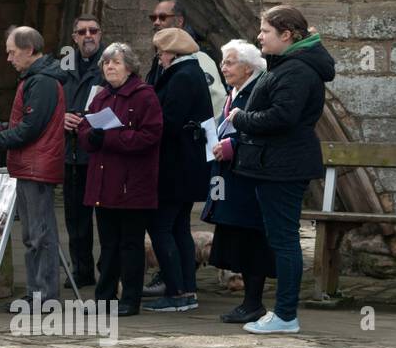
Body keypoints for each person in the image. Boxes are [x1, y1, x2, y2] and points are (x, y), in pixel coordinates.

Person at [229, 5, 335, 334]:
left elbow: (281, 117)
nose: (259, 36)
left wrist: (240, 118)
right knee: (280, 239)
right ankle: (283, 313)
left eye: (265, 31)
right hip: (273, 164)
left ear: (286, 35)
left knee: (285, 241)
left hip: (284, 167)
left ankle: (286, 314)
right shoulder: (288, 65)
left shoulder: (297, 70)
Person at [0, 26, 67, 304]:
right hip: (31, 165)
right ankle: (36, 293)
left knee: (39, 235)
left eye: (12, 52)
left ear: (29, 50)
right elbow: (28, 122)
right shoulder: (37, 79)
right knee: (33, 235)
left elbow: (31, 129)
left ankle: (43, 295)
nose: (8, 59)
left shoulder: (41, 81)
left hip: (36, 166)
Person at [77, 43, 162, 316]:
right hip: (104, 182)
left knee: (131, 245)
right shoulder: (101, 97)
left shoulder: (144, 96)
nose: (110, 67)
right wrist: (91, 136)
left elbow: (151, 135)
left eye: (115, 62)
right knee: (108, 244)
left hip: (131, 184)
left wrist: (111, 137)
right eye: (106, 63)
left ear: (129, 67)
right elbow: (84, 128)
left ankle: (130, 299)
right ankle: (105, 297)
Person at [201, 40, 275, 324]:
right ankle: (248, 302)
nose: (224, 67)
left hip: (250, 177)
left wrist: (232, 146)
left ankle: (253, 302)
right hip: (232, 176)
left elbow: (264, 132)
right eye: (223, 62)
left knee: (252, 239)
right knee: (239, 239)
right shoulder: (236, 91)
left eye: (230, 62)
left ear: (248, 67)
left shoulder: (257, 91)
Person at [144, 27, 213, 312]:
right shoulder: (190, 73)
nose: (159, 59)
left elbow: (169, 122)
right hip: (186, 167)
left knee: (161, 227)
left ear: (171, 53)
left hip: (176, 167)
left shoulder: (182, 77)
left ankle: (176, 292)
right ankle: (187, 291)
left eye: (160, 53)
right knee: (179, 228)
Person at [59, 13, 106, 288]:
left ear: (100, 34)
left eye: (93, 30)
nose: (88, 36)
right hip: (72, 153)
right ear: (74, 37)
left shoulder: (109, 64)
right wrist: (62, 116)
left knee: (106, 218)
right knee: (76, 219)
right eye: (82, 32)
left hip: (99, 153)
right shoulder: (63, 67)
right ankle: (81, 270)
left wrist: (87, 121)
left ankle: (107, 269)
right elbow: (52, 102)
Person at [144, 0, 225, 115]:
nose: (156, 22)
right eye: (153, 18)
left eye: (162, 17)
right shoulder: (159, 59)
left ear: (179, 21)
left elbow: (216, 101)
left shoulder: (198, 57)